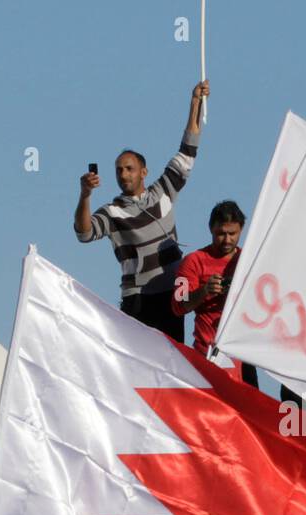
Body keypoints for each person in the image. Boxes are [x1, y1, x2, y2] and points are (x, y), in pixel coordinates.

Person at [74, 81, 209, 343]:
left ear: (143, 172)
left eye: (129, 168)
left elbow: (188, 151)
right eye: (119, 170)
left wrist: (195, 102)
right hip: (137, 300)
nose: (123, 174)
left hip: (171, 296)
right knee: (138, 369)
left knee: (172, 365)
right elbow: (84, 233)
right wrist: (85, 195)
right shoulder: (113, 213)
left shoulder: (164, 191)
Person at [172, 200, 257, 385]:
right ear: (211, 229)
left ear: (241, 229)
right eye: (221, 234)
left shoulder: (250, 261)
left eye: (232, 234)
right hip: (207, 354)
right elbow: (178, 306)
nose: (227, 240)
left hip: (243, 356)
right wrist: (204, 291)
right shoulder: (193, 261)